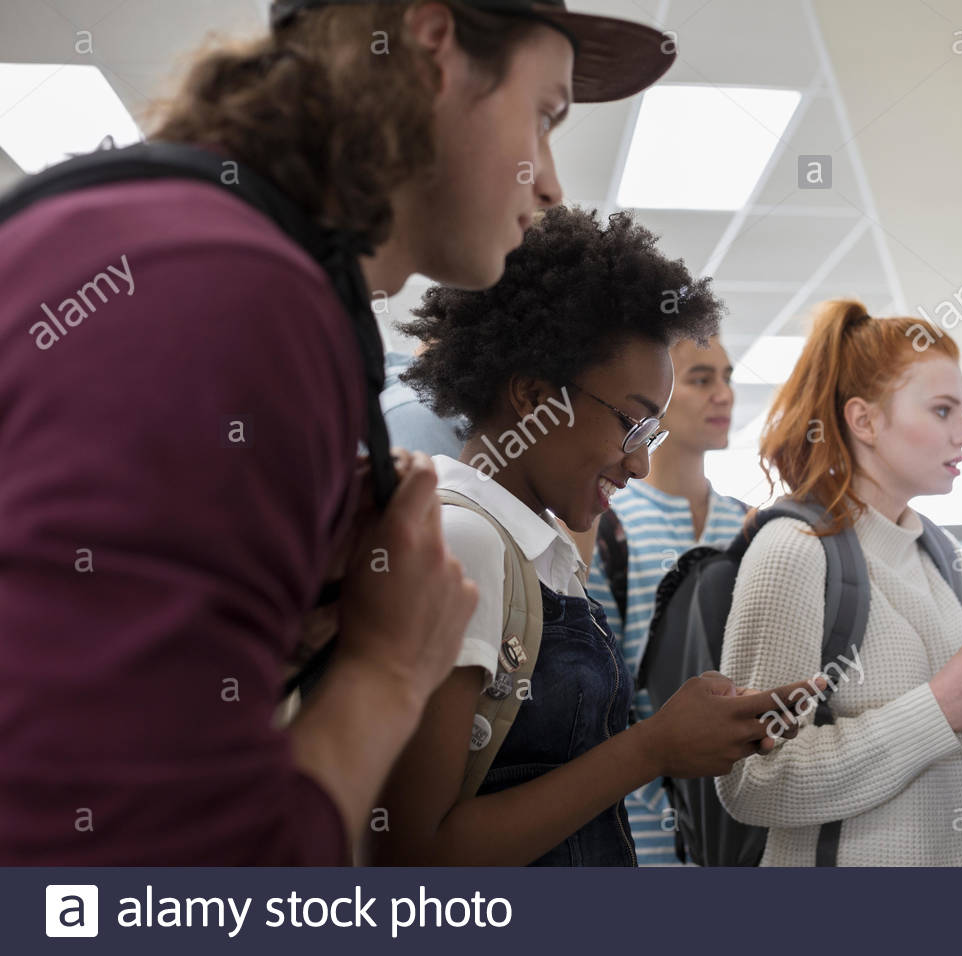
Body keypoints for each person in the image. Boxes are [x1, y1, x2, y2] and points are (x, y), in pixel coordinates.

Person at [0, 0, 673, 864]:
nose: (549, 182)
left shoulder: (182, 246)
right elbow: (159, 882)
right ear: (432, 44)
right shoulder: (232, 293)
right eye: (543, 117)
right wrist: (387, 669)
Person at [370, 206, 820, 865]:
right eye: (631, 425)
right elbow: (417, 851)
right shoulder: (463, 541)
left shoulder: (538, 551)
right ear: (532, 395)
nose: (639, 462)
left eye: (652, 436)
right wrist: (652, 749)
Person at [716, 299, 962, 866]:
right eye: (942, 411)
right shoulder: (793, 553)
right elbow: (751, 781)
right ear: (864, 420)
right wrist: (937, 709)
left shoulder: (942, 554)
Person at [586, 334, 749, 864]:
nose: (723, 394)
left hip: (750, 832)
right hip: (643, 842)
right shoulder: (607, 528)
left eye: (727, 377)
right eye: (702, 379)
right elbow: (600, 710)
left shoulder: (755, 526)